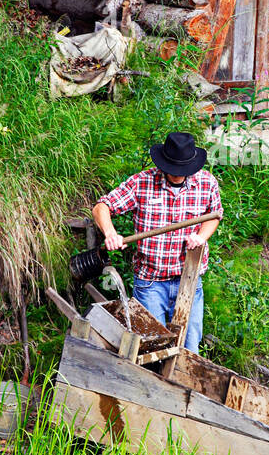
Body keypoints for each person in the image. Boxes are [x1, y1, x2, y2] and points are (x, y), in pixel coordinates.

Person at [92, 132, 222, 354]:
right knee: (151, 351)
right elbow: (101, 207)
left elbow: (214, 216)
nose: (178, 175)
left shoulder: (207, 183)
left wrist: (201, 236)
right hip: (150, 283)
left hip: (189, 280)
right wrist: (111, 233)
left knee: (189, 350)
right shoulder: (142, 182)